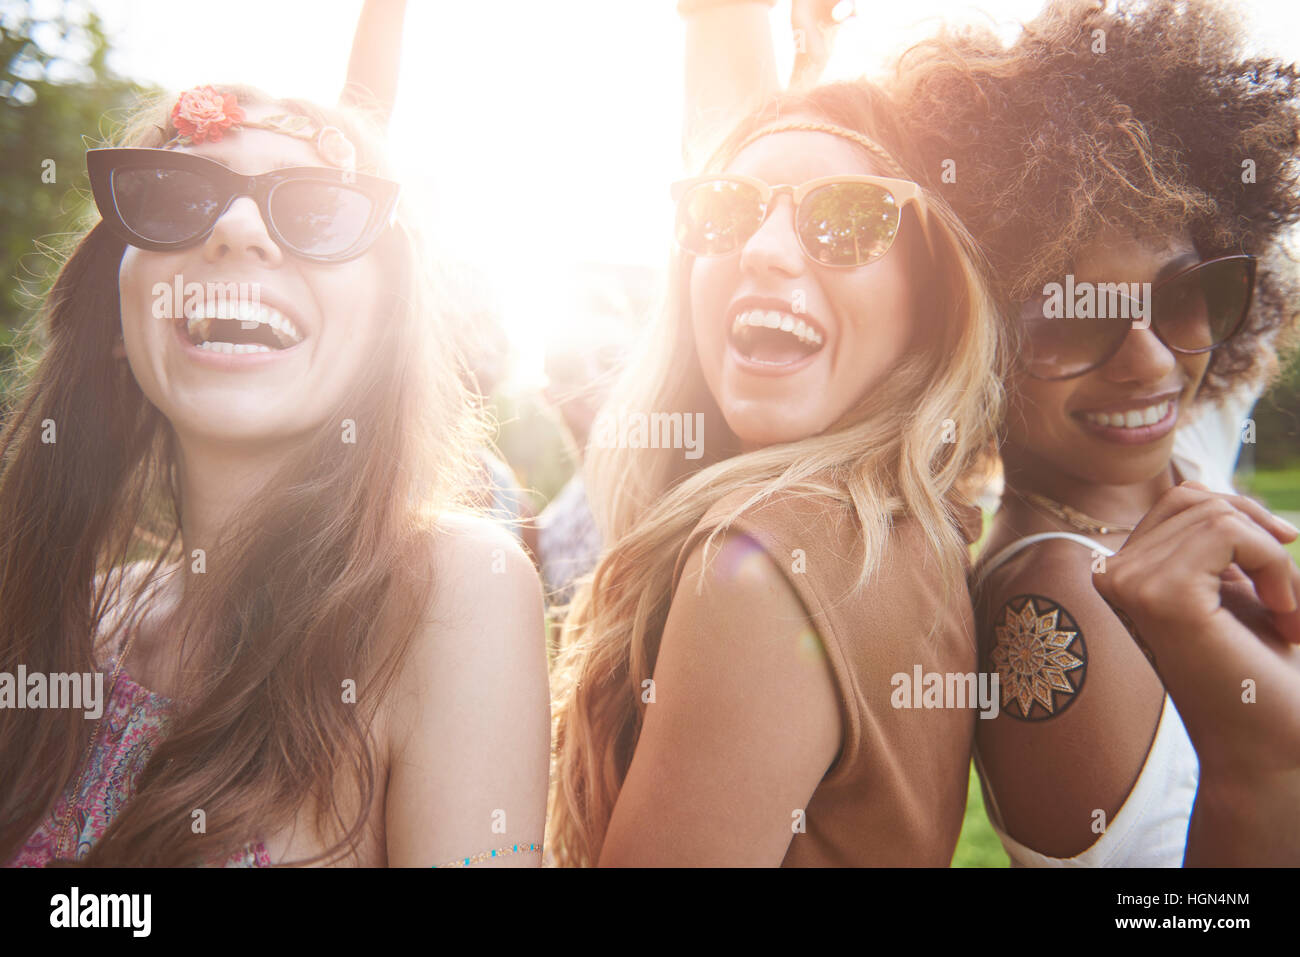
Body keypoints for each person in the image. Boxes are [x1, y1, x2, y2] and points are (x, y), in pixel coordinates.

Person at [0, 83, 549, 867]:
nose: (236, 229)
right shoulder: (81, 614)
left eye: (321, 212)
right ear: (116, 320)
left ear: (383, 327)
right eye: (174, 198)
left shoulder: (451, 595)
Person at [548, 78, 1009, 866]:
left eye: (847, 219)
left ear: (931, 294)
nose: (760, 248)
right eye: (726, 211)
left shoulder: (767, 558)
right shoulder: (899, 530)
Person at [889, 0, 1300, 865]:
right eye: (1072, 318)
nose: (1150, 363)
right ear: (973, 345)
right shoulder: (1058, 603)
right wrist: (1259, 766)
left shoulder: (1178, 441)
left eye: (1186, 293)